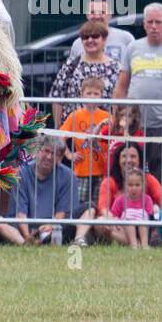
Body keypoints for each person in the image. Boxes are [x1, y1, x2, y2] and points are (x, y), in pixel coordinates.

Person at [114, 3, 162, 183]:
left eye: (158, 22)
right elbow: (121, 86)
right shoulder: (133, 48)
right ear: (144, 25)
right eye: (150, 22)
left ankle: (159, 211)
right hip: (133, 125)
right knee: (129, 174)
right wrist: (116, 117)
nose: (154, 26)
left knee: (160, 177)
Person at [59, 74, 113, 247]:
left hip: (101, 170)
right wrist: (68, 154)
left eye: (96, 94)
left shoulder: (107, 117)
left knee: (99, 206)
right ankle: (80, 235)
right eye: (88, 93)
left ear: (102, 96)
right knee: (82, 205)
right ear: (81, 94)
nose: (92, 97)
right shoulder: (75, 116)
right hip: (81, 171)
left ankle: (96, 236)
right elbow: (60, 137)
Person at [0, 135, 76, 246]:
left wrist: (51, 226)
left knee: (88, 207)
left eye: (54, 154)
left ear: (60, 158)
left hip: (54, 228)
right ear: (37, 151)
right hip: (22, 227)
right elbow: (20, 212)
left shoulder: (68, 176)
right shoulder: (21, 173)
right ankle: (25, 243)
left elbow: (62, 212)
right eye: (46, 151)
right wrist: (28, 236)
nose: (48, 156)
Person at [49, 20, 123, 127]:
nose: (90, 40)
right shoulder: (71, 64)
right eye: (85, 37)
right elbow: (56, 95)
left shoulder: (115, 67)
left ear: (104, 39)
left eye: (95, 36)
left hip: (106, 131)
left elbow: (119, 100)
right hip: (74, 131)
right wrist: (59, 127)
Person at [98, 141, 162, 242]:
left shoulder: (149, 179)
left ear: (139, 160)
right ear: (118, 160)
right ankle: (136, 243)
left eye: (133, 156)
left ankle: (136, 242)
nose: (129, 160)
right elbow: (103, 207)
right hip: (118, 226)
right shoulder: (109, 182)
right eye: (124, 156)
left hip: (143, 227)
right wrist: (114, 220)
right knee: (100, 222)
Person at [69, 0, 135, 64]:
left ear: (110, 14)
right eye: (93, 12)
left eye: (102, 12)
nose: (97, 16)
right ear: (87, 15)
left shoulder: (125, 38)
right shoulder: (78, 44)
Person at [110, 168, 155, 248]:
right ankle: (134, 244)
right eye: (130, 185)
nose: (134, 188)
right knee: (127, 222)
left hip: (143, 228)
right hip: (125, 230)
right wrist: (117, 222)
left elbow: (149, 216)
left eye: (137, 185)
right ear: (125, 185)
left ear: (143, 185)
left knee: (143, 221)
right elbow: (114, 216)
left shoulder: (147, 199)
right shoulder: (120, 199)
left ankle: (144, 244)